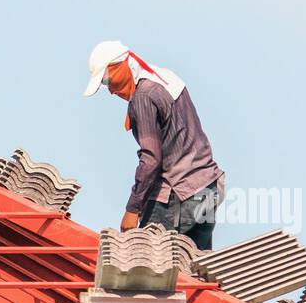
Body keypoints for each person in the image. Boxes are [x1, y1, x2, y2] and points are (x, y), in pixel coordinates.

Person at [83, 40, 224, 248]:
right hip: (207, 187)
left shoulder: (143, 97)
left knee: (145, 263)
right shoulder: (165, 78)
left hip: (179, 194)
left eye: (107, 81)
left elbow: (151, 159)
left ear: (122, 67)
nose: (111, 91)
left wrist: (133, 209)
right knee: (193, 270)